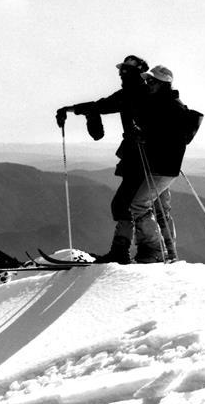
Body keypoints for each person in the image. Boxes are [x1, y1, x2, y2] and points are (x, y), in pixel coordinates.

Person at [56, 57, 186, 263]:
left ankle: (129, 251)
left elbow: (101, 106)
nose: (122, 74)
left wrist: (69, 110)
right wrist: (69, 109)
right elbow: (101, 105)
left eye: (126, 71)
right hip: (158, 163)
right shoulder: (152, 95)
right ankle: (166, 253)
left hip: (141, 160)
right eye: (122, 71)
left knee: (127, 204)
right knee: (159, 208)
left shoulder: (136, 95)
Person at [124, 65, 190, 263]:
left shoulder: (169, 106)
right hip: (166, 165)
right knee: (162, 209)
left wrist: (142, 134)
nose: (148, 84)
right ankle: (169, 252)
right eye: (148, 80)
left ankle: (153, 251)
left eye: (152, 81)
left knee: (139, 205)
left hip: (162, 167)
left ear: (163, 84)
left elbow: (166, 135)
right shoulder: (171, 104)